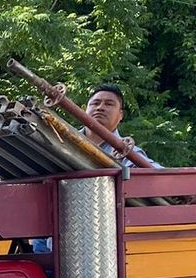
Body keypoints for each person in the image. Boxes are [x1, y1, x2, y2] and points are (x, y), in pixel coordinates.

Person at [33, 84, 159, 253]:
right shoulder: (60, 145)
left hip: (103, 249)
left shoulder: (131, 156)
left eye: (109, 104)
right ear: (85, 109)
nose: (100, 107)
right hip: (50, 246)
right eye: (95, 103)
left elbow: (159, 176)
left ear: (120, 115)